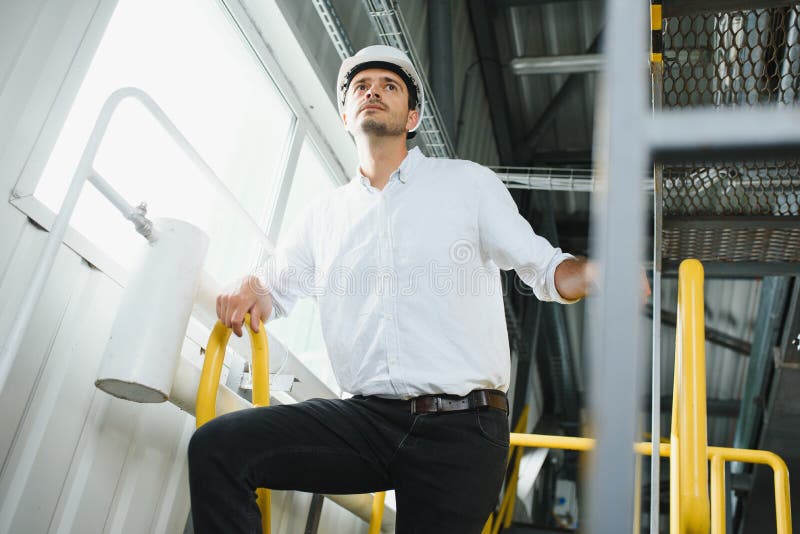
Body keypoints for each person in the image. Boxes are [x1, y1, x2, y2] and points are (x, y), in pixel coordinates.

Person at [187, 44, 595, 534]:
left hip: (463, 428)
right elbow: (272, 288)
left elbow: (546, 269)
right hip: (367, 421)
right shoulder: (323, 216)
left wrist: (593, 274)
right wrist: (249, 282)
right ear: (344, 114)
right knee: (218, 446)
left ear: (413, 116)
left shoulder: (466, 184)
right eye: (362, 87)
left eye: (389, 86)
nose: (373, 92)